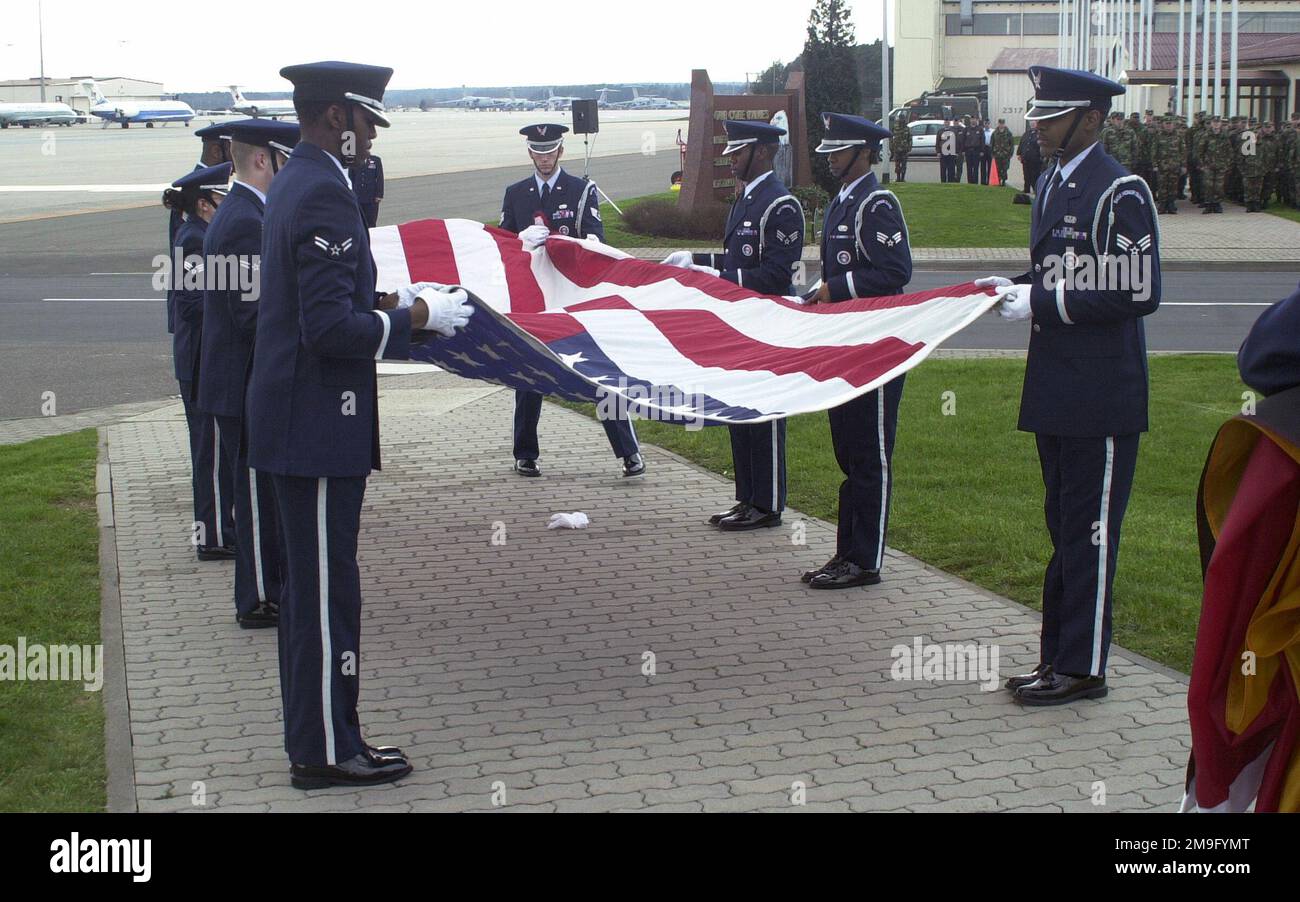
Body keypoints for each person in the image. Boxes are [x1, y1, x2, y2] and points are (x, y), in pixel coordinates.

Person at [245, 61, 473, 789]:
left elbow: (332, 298)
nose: (373, 138)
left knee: (323, 592)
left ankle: (327, 736)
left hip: (303, 424)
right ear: (339, 118)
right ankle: (322, 753)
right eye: (368, 122)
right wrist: (413, 317)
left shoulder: (302, 180)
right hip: (312, 429)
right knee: (320, 598)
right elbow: (327, 331)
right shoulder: (321, 191)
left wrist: (391, 300)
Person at [978, 65, 1161, 706]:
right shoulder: (1057, 181)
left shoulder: (1120, 190)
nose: (1038, 125)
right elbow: (1053, 269)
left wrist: (1041, 302)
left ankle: (1083, 668)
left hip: (1100, 394)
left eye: (1052, 115)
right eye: (1038, 114)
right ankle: (1058, 656)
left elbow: (1138, 290)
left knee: (1090, 534)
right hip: (1057, 386)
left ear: (1091, 118)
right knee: (1063, 528)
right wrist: (1009, 286)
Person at [662, 120, 804, 532]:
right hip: (740, 322)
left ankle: (769, 503)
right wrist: (698, 262)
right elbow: (738, 261)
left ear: (761, 152)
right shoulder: (745, 200)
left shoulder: (781, 205)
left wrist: (716, 279)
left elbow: (776, 275)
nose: (732, 161)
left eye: (738, 153)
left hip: (768, 321)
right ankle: (747, 497)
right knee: (740, 410)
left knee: (766, 413)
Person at [801, 113, 913, 590]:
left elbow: (894, 272)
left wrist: (834, 288)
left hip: (876, 347)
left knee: (871, 456)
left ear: (863, 153)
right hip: (846, 345)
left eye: (838, 151)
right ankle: (846, 552)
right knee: (848, 453)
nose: (829, 159)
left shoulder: (876, 202)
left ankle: (865, 559)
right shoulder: (840, 204)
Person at [197, 118, 300, 629]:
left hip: (238, 379)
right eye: (285, 161)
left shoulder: (242, 212)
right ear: (264, 160)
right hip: (242, 381)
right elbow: (251, 312)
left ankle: (266, 589)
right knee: (257, 497)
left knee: (257, 491)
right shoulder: (244, 221)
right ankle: (261, 598)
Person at [500, 123, 645, 479]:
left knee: (600, 375)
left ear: (561, 152)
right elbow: (500, 248)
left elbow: (596, 244)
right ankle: (525, 453)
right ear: (530, 153)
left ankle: (628, 452)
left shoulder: (580, 192)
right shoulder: (516, 193)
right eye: (538, 151)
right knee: (528, 375)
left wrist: (562, 246)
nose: (544, 157)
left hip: (572, 298)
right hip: (533, 300)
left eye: (550, 151)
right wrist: (519, 240)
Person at [166, 162, 236, 562]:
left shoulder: (199, 233)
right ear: (206, 203)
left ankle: (221, 530)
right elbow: (192, 305)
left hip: (203, 358)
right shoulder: (194, 238)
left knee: (215, 452)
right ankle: (210, 537)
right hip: (198, 361)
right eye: (221, 197)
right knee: (208, 454)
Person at [1153, 115, 1186, 215]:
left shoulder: (1178, 136)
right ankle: (1162, 206)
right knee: (1162, 186)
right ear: (1163, 125)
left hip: (1174, 166)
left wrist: (1184, 165)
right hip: (1162, 166)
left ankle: (1171, 205)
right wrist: (1154, 164)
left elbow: (1183, 151)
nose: (1168, 126)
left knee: (1173, 186)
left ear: (1173, 125)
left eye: (1170, 124)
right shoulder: (1158, 136)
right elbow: (1154, 151)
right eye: (1166, 124)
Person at [350, 152, 384, 227]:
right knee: (359, 221)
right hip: (358, 196)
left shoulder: (376, 160)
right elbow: (351, 178)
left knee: (371, 221)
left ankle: (372, 237)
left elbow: (380, 178)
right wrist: (351, 194)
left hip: (371, 197)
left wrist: (379, 195)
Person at [1018, 121, 1042, 195]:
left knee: (1034, 175)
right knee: (1026, 174)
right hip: (1025, 158)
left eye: (1034, 123)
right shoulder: (1026, 134)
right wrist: (1019, 153)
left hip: (1035, 159)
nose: (1032, 125)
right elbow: (1022, 143)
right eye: (1031, 123)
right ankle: (1026, 189)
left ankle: (1035, 189)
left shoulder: (1039, 134)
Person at [990, 118, 1015, 187]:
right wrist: (992, 153)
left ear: (1004, 124)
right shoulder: (995, 133)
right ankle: (998, 181)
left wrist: (1010, 154)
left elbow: (1012, 144)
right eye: (1000, 123)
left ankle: (1003, 181)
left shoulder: (1008, 133)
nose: (1001, 125)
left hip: (1005, 155)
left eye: (1002, 123)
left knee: (1005, 169)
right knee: (998, 169)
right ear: (998, 124)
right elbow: (992, 144)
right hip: (997, 154)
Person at [889, 114, 911, 183]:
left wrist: (909, 148)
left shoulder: (907, 128)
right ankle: (898, 178)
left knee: (904, 165)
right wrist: (891, 147)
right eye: (901, 118)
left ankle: (902, 178)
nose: (902, 120)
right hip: (896, 149)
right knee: (897, 164)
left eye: (903, 118)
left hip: (904, 149)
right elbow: (891, 138)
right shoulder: (895, 127)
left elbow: (910, 139)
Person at [962, 115, 983, 184]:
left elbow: (982, 140)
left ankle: (975, 182)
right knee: (969, 168)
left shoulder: (980, 129)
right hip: (968, 151)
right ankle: (970, 183)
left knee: (976, 168)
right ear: (970, 120)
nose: (973, 120)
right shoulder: (966, 129)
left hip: (976, 151)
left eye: (974, 119)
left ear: (976, 120)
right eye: (972, 119)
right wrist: (963, 150)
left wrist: (982, 151)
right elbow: (963, 140)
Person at [939, 119, 960, 183]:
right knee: (943, 169)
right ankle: (943, 182)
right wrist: (938, 152)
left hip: (952, 152)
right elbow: (938, 142)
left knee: (951, 169)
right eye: (945, 122)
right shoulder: (940, 131)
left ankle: (951, 182)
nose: (946, 123)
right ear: (944, 123)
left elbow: (956, 142)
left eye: (947, 122)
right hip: (943, 152)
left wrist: (956, 152)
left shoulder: (953, 131)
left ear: (949, 123)